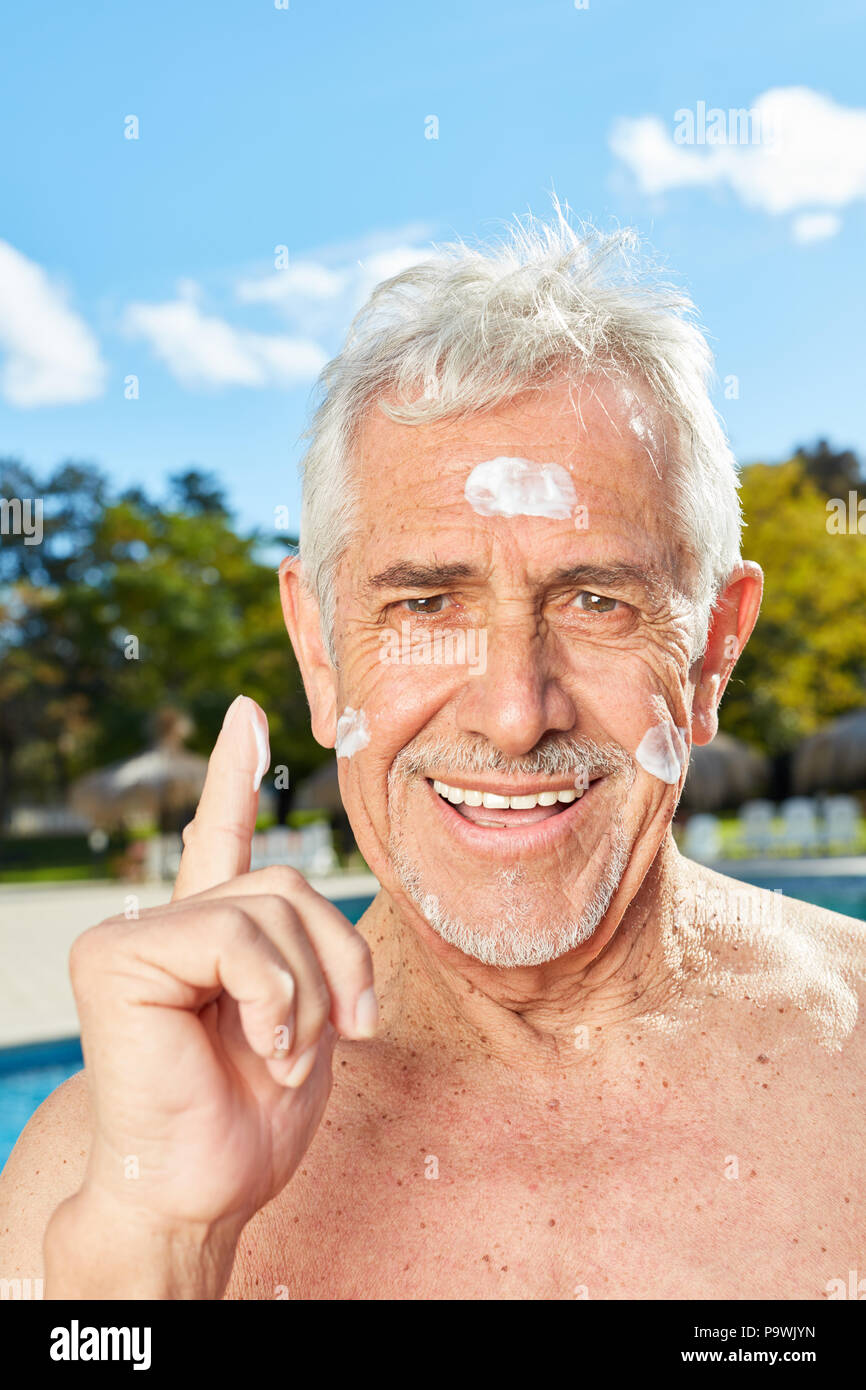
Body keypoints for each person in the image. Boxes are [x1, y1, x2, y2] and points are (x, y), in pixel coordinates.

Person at [1, 214, 864, 1300]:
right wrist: (159, 1253)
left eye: (594, 600)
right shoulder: (92, 1184)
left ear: (709, 653)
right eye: (423, 602)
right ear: (318, 651)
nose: (512, 713)